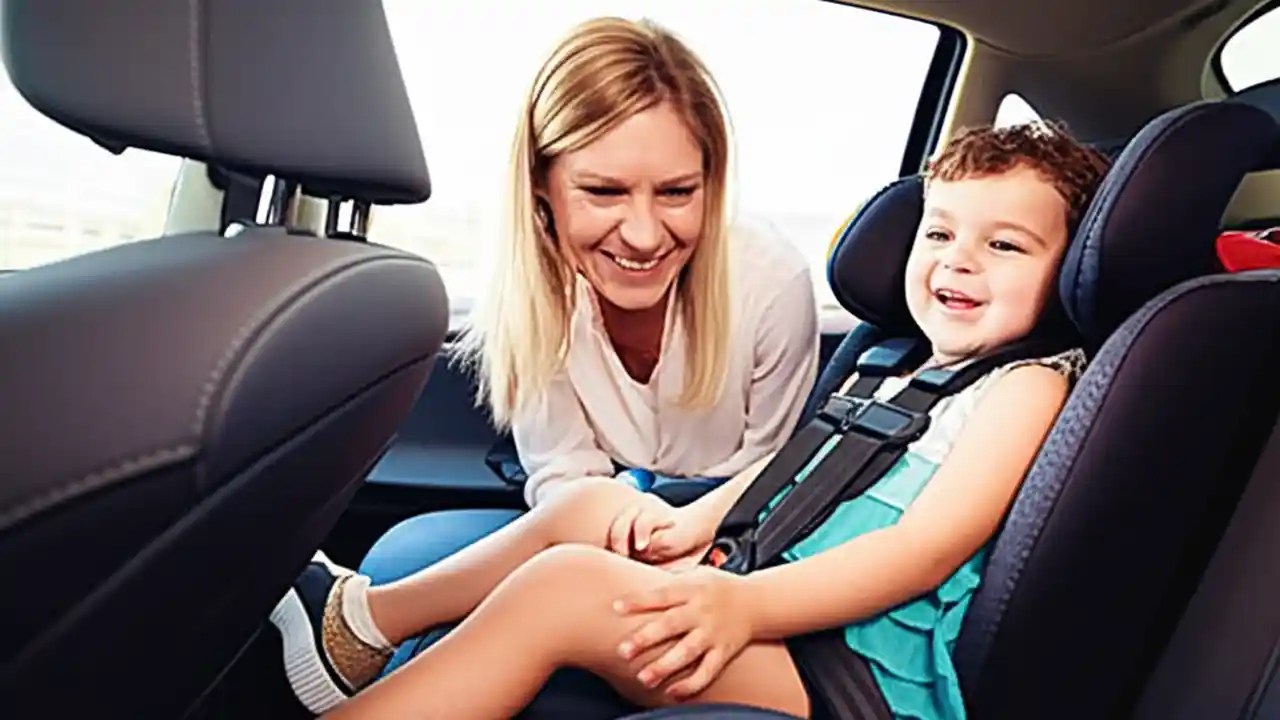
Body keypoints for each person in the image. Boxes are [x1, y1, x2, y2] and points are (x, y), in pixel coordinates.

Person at [269, 118, 1111, 720]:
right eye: (939, 234)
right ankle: (364, 624)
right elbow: (795, 467)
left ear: (1070, 270)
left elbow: (917, 550)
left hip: (847, 678)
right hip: (770, 593)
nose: (958, 260)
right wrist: (699, 521)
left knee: (566, 588)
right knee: (594, 508)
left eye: (1005, 246)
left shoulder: (1028, 387)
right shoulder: (902, 365)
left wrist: (744, 607)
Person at [268, 13, 820, 706]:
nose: (646, 234)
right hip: (628, 523)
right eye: (604, 191)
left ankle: (364, 617)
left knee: (575, 553)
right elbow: (563, 473)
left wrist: (671, 535)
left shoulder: (768, 282)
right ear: (542, 188)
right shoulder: (532, 296)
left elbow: (767, 481)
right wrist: (624, 521)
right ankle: (357, 624)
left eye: (678, 192)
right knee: (589, 503)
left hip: (727, 544)